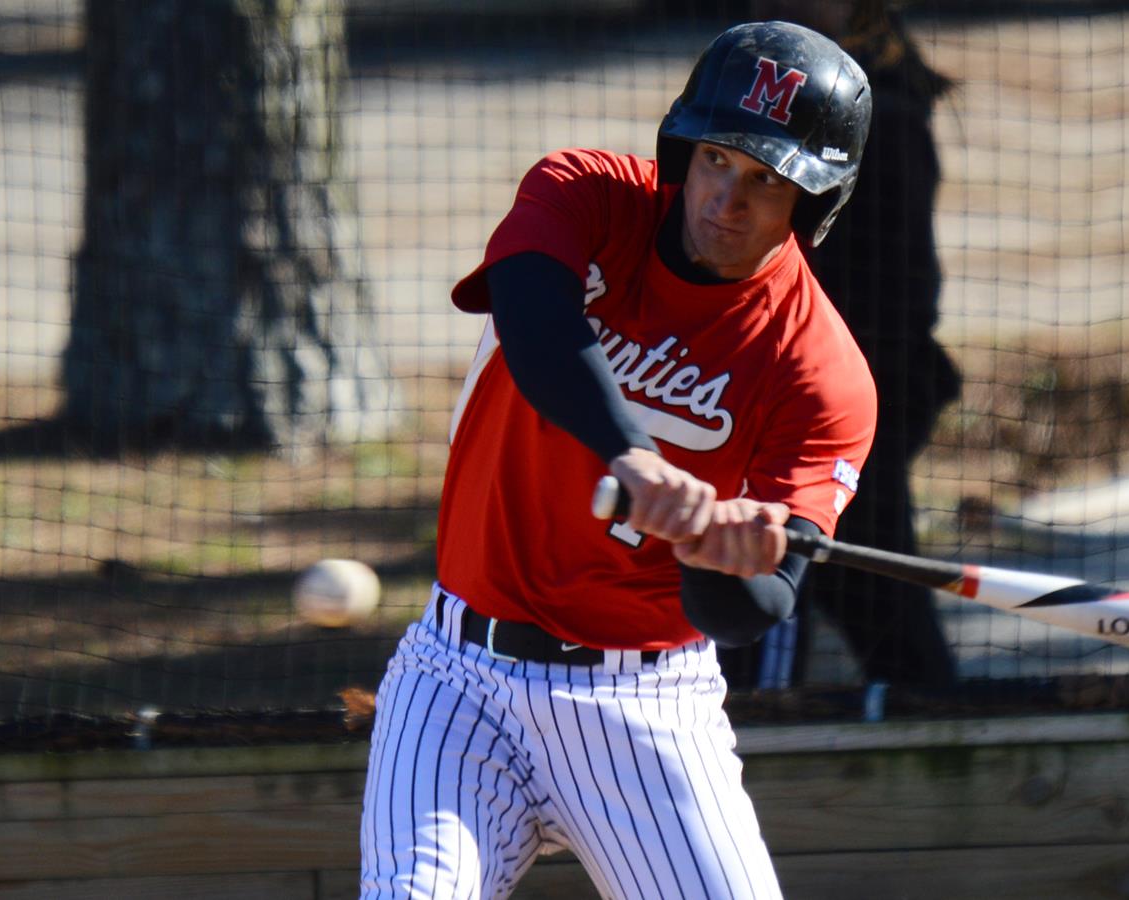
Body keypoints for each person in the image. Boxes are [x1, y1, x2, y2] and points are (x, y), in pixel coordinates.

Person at [359, 21, 877, 899]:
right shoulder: (586, 194)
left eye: (766, 179)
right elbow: (535, 323)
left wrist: (714, 555)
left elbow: (757, 607)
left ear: (814, 201)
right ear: (684, 148)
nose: (727, 198)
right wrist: (632, 455)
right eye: (716, 159)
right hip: (457, 678)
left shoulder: (821, 372)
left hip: (645, 703)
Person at [723, 1, 962, 692]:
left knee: (859, 613)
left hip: (836, 415)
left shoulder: (883, 119)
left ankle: (945, 733)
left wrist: (818, 392)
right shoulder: (772, 93)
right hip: (796, 407)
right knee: (870, 614)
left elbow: (904, 294)